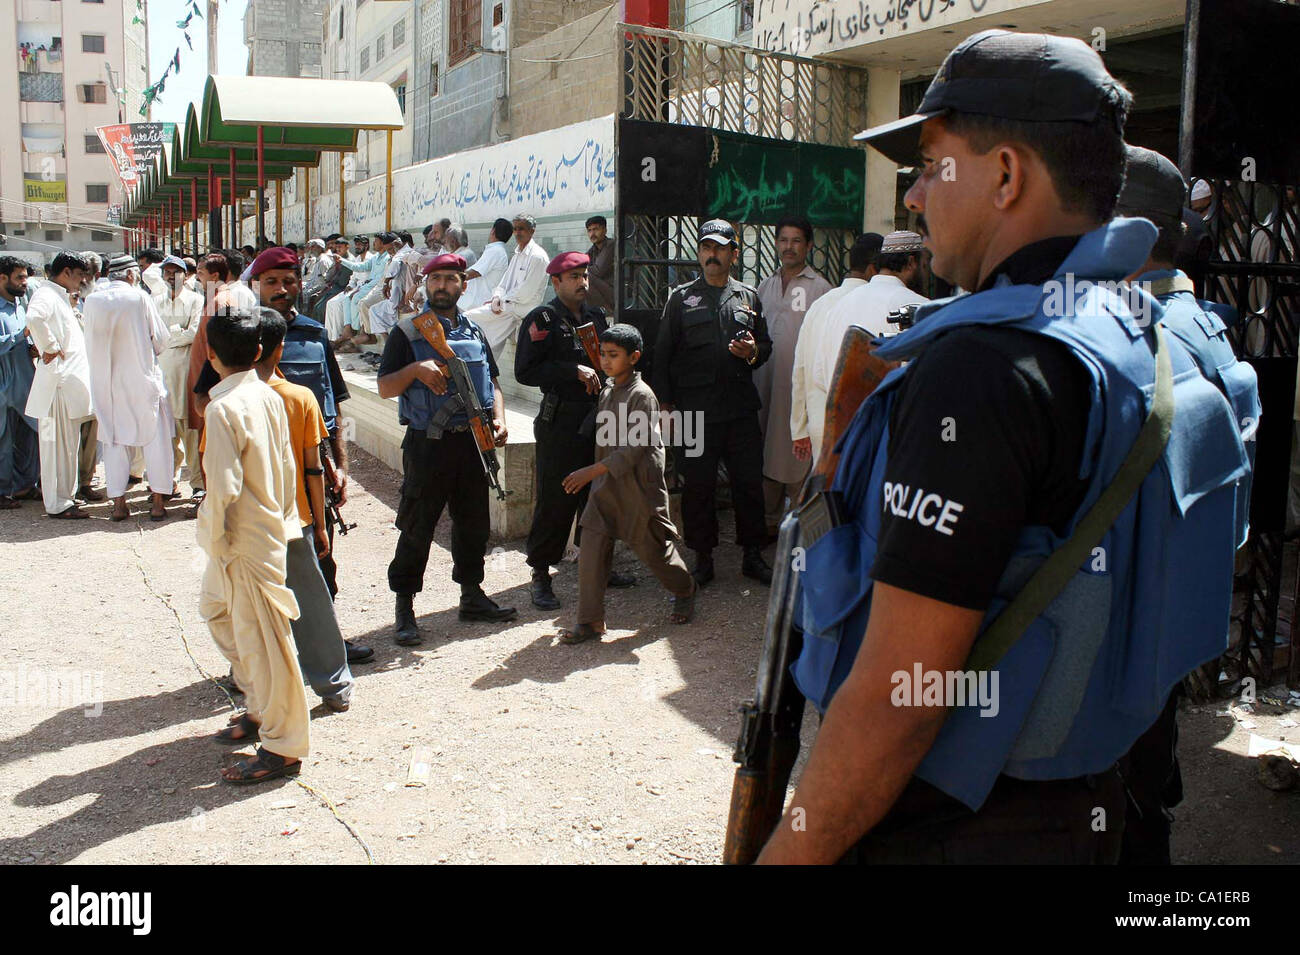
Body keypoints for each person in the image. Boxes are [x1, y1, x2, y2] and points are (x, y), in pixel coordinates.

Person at [757, 29, 1255, 865]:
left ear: (1006, 174)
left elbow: (896, 703)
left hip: (952, 824)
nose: (913, 197)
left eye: (929, 163)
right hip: (1086, 803)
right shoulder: (1134, 330)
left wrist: (789, 850)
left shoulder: (983, 369)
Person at [1113, 144, 1260, 864]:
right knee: (1146, 796)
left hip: (1122, 630)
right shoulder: (1205, 323)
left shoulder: (1137, 333)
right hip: (1175, 617)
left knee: (1117, 810)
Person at [378, 253, 517, 645]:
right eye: (435, 278)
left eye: (450, 278)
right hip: (428, 444)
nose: (442, 285)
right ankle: (404, 607)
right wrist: (415, 371)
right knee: (417, 524)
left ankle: (471, 596)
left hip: (473, 441)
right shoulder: (407, 332)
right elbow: (386, 386)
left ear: (463, 284)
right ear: (426, 283)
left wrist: (501, 418)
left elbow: (493, 381)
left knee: (474, 523)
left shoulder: (474, 330)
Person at [198, 308, 310, 784]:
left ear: (211, 354)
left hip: (242, 539)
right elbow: (286, 468)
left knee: (268, 644)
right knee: (219, 615)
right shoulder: (264, 394)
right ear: (259, 351)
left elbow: (221, 486)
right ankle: (262, 707)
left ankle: (283, 746)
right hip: (256, 534)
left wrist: (210, 536)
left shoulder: (224, 409)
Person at [651, 219, 773, 587]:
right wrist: (666, 406)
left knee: (749, 484)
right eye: (706, 248)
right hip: (694, 412)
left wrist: (754, 352)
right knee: (698, 487)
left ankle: (753, 555)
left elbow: (765, 346)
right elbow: (662, 355)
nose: (712, 255)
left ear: (734, 254)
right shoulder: (681, 298)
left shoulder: (748, 296)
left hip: (739, 410)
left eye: (720, 248)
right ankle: (703, 557)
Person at [557, 323, 696, 644]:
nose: (605, 361)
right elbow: (605, 442)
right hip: (605, 487)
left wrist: (590, 473)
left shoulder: (642, 396)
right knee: (591, 551)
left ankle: (685, 589)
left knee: (655, 553)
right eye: (603, 354)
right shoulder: (607, 390)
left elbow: (634, 451)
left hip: (638, 488)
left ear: (634, 357)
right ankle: (590, 622)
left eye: (613, 355)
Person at [250, 307, 355, 712]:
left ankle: (262, 686)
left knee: (256, 607)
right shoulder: (298, 397)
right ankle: (333, 683)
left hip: (252, 522)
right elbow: (314, 466)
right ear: (278, 350)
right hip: (297, 520)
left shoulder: (228, 401)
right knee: (311, 604)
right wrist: (322, 523)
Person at [514, 251, 620, 610]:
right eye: (573, 277)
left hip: (598, 419)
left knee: (599, 496)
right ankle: (541, 573)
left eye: (585, 275)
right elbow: (525, 371)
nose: (582, 282)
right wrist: (570, 370)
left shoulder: (595, 316)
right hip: (561, 422)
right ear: (556, 282)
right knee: (557, 498)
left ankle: (598, 564)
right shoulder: (543, 318)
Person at [82, 254, 174, 522]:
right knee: (156, 441)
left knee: (114, 441)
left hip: (106, 384)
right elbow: (161, 339)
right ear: (132, 275)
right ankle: (157, 504)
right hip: (142, 379)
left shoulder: (93, 301)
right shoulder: (139, 297)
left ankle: (119, 505)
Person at [789, 232, 881, 467]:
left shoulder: (821, 304)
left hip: (820, 425)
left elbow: (799, 368)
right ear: (873, 269)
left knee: (825, 494)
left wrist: (799, 428)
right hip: (856, 425)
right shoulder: (873, 303)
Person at [25, 252, 94, 519]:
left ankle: (65, 499)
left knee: (66, 447)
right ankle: (59, 504)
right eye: (79, 276)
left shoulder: (58, 296)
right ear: (66, 272)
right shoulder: (46, 295)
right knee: (56, 448)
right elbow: (35, 318)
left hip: (65, 387)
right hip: (58, 386)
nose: (81, 282)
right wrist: (50, 347)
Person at [462, 214, 551, 359]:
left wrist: (501, 300)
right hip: (505, 306)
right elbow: (503, 283)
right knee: (485, 340)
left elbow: (526, 293)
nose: (517, 233)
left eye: (521, 229)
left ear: (532, 231)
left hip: (520, 309)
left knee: (468, 319)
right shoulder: (517, 254)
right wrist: (496, 296)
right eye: (515, 229)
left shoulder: (537, 257)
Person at [154, 254, 205, 495]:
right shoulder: (156, 301)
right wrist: (177, 333)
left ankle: (197, 484)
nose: (171, 275)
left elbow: (194, 333)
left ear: (186, 275)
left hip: (185, 372)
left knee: (190, 433)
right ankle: (167, 483)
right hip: (162, 372)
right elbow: (152, 335)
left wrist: (168, 336)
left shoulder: (196, 300)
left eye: (176, 271)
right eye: (167, 271)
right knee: (165, 435)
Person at [0, 256, 39, 508]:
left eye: (26, 277)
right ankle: (2, 492)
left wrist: (31, 347)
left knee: (30, 438)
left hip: (25, 383)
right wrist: (21, 334)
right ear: (3, 278)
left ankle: (25, 486)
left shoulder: (20, 307)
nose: (25, 282)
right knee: (3, 441)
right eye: (20, 277)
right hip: (3, 386)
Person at [336, 232, 392, 350]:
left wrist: (361, 289)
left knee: (358, 299)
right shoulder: (376, 257)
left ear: (382, 243)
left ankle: (363, 332)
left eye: (376, 241)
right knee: (348, 298)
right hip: (369, 285)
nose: (374, 243)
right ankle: (351, 329)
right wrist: (341, 260)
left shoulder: (387, 257)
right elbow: (360, 267)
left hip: (377, 287)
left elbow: (379, 279)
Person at [460, 218, 513, 311]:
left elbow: (474, 273)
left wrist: (451, 277)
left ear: (493, 231)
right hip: (478, 301)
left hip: (479, 303)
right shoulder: (497, 250)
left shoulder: (495, 251)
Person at [584, 215, 615, 314]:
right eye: (589, 230)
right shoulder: (593, 250)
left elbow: (598, 270)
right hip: (602, 292)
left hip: (616, 292)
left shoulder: (611, 245)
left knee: (587, 276)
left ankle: (608, 311)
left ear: (605, 230)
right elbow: (581, 264)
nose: (592, 233)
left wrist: (582, 269)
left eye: (596, 229)